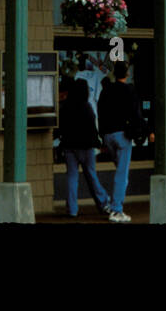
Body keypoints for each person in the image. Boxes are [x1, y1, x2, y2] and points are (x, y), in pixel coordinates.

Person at [97, 60, 152, 223]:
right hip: (122, 136)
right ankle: (116, 209)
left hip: (108, 136)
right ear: (127, 74)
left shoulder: (106, 91)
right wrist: (148, 131)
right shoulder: (129, 90)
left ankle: (110, 203)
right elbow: (136, 115)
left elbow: (100, 113)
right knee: (122, 174)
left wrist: (102, 137)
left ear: (114, 73)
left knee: (119, 171)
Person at [57, 78, 111, 218]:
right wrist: (98, 143)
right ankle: (103, 203)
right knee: (91, 176)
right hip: (86, 147)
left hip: (69, 146)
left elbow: (61, 127)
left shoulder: (65, 107)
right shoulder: (86, 106)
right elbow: (92, 128)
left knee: (72, 177)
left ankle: (72, 209)